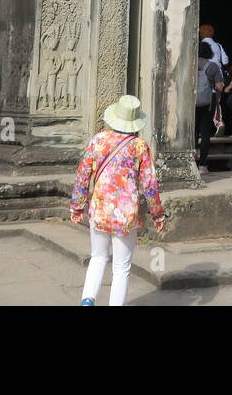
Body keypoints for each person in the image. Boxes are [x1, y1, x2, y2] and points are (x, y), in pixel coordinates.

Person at [69, 95, 165, 306]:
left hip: (100, 208)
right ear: (135, 122)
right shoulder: (139, 146)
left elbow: (83, 174)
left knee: (98, 257)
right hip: (126, 214)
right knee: (121, 267)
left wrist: (77, 206)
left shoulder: (98, 140)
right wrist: (157, 214)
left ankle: (87, 300)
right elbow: (150, 184)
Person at [195, 41, 225, 175]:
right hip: (208, 101)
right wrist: (218, 96)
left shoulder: (190, 63)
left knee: (193, 131)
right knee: (205, 133)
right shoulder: (212, 66)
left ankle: (192, 156)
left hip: (191, 101)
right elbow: (219, 86)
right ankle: (202, 165)